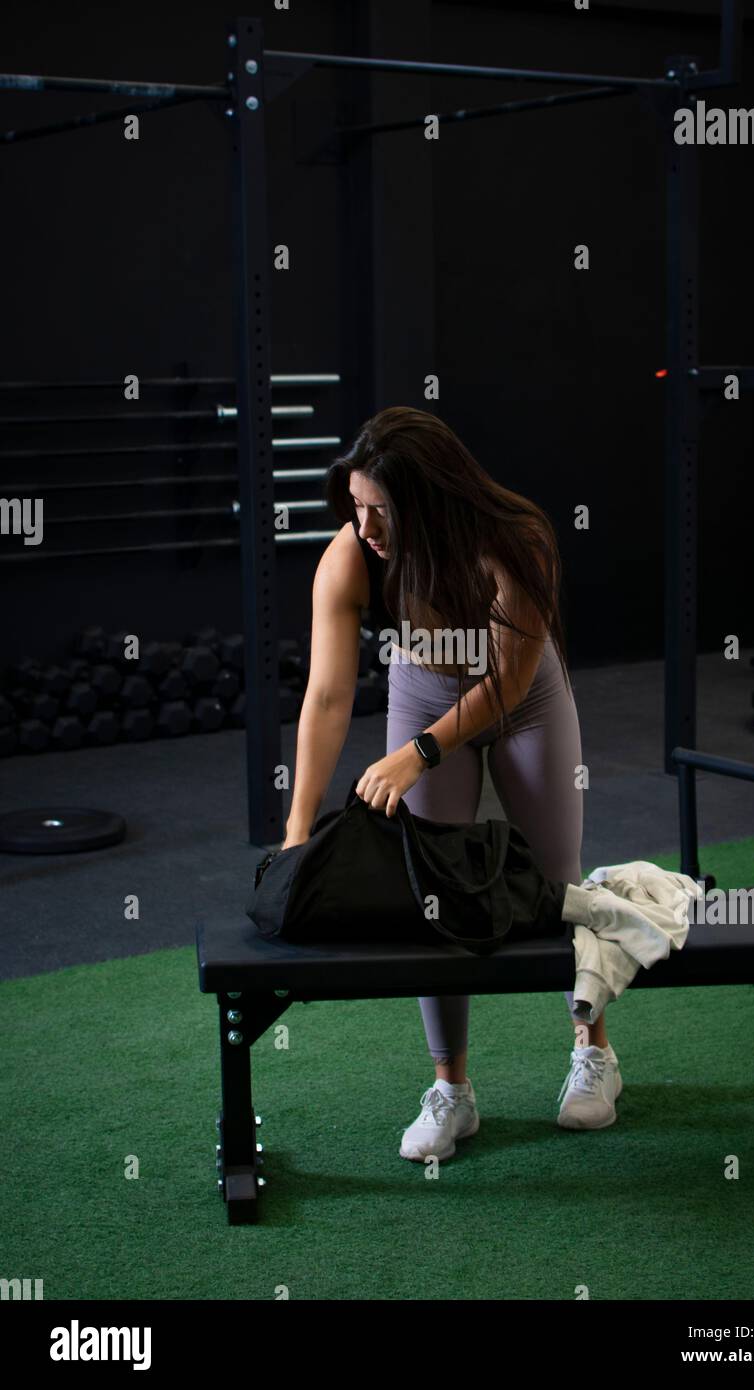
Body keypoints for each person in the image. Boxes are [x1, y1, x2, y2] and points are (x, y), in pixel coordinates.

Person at [282, 406, 622, 1160]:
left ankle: (592, 1049)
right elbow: (329, 699)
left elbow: (505, 681)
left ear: (430, 503)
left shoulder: (516, 539)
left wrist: (415, 757)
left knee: (555, 886)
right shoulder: (350, 558)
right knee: (433, 893)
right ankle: (453, 1090)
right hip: (426, 693)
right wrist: (296, 833)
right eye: (358, 508)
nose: (366, 528)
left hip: (523, 702)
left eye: (382, 512)